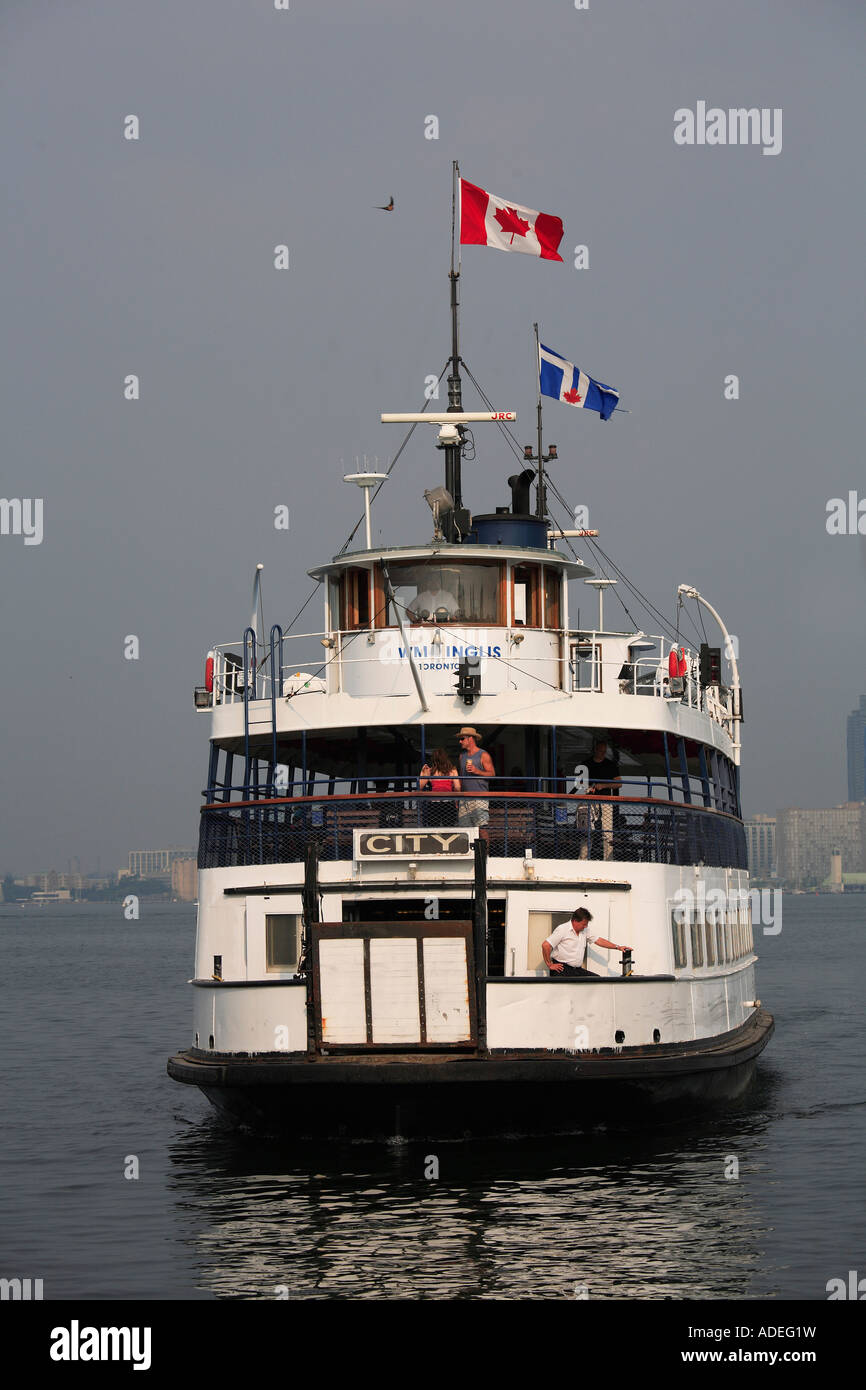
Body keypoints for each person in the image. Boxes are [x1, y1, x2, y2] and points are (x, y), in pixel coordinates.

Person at [541, 907, 631, 977]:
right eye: (584, 924)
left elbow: (599, 940)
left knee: (596, 980)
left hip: (576, 970)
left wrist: (618, 947)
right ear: (575, 921)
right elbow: (546, 945)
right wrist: (550, 964)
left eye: (586, 924)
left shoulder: (585, 930)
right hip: (561, 970)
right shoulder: (562, 929)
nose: (585, 926)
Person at [456, 727, 495, 841]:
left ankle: (485, 857)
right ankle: (469, 857)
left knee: (482, 829)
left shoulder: (483, 755)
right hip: (464, 799)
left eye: (462, 739)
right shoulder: (462, 756)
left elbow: (492, 774)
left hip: (480, 798)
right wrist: (458, 797)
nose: (460, 741)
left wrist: (477, 771)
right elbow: (461, 778)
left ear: (470, 739)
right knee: (464, 831)